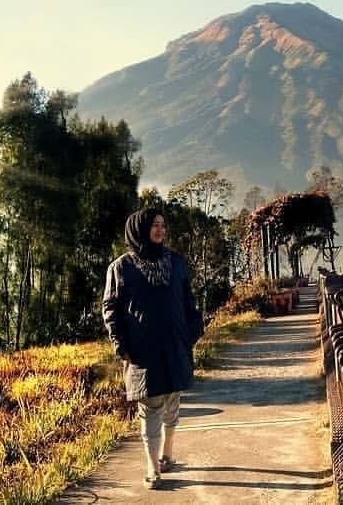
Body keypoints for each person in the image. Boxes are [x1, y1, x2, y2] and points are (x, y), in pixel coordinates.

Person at [102, 207, 204, 490]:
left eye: (163, 225)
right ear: (140, 229)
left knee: (173, 401)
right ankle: (152, 467)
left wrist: (194, 329)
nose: (161, 230)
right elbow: (110, 309)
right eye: (154, 225)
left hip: (176, 344)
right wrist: (121, 345)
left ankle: (167, 455)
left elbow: (188, 300)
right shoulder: (121, 268)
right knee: (150, 407)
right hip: (143, 350)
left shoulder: (176, 262)